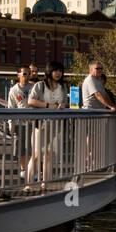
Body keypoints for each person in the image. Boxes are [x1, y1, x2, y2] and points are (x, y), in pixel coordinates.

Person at [26, 61, 67, 189]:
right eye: (55, 71)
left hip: (56, 125)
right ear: (49, 72)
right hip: (41, 124)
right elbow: (31, 101)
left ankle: (46, 183)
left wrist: (63, 106)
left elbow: (64, 102)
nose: (58, 73)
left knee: (50, 154)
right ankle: (28, 183)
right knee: (37, 153)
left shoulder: (63, 87)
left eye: (60, 71)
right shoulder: (40, 85)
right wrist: (49, 106)